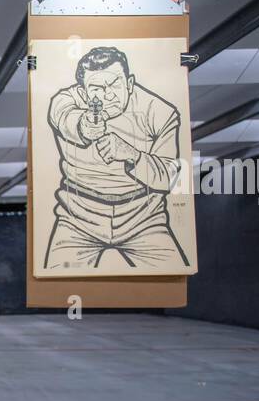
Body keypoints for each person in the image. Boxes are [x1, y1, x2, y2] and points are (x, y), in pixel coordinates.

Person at [43, 45, 191, 270]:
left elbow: (170, 177)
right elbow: (64, 115)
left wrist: (131, 155)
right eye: (96, 88)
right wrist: (82, 126)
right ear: (82, 93)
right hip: (78, 217)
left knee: (173, 276)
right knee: (54, 289)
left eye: (114, 84)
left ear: (129, 84)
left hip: (143, 218)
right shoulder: (66, 100)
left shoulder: (159, 112)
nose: (107, 95)